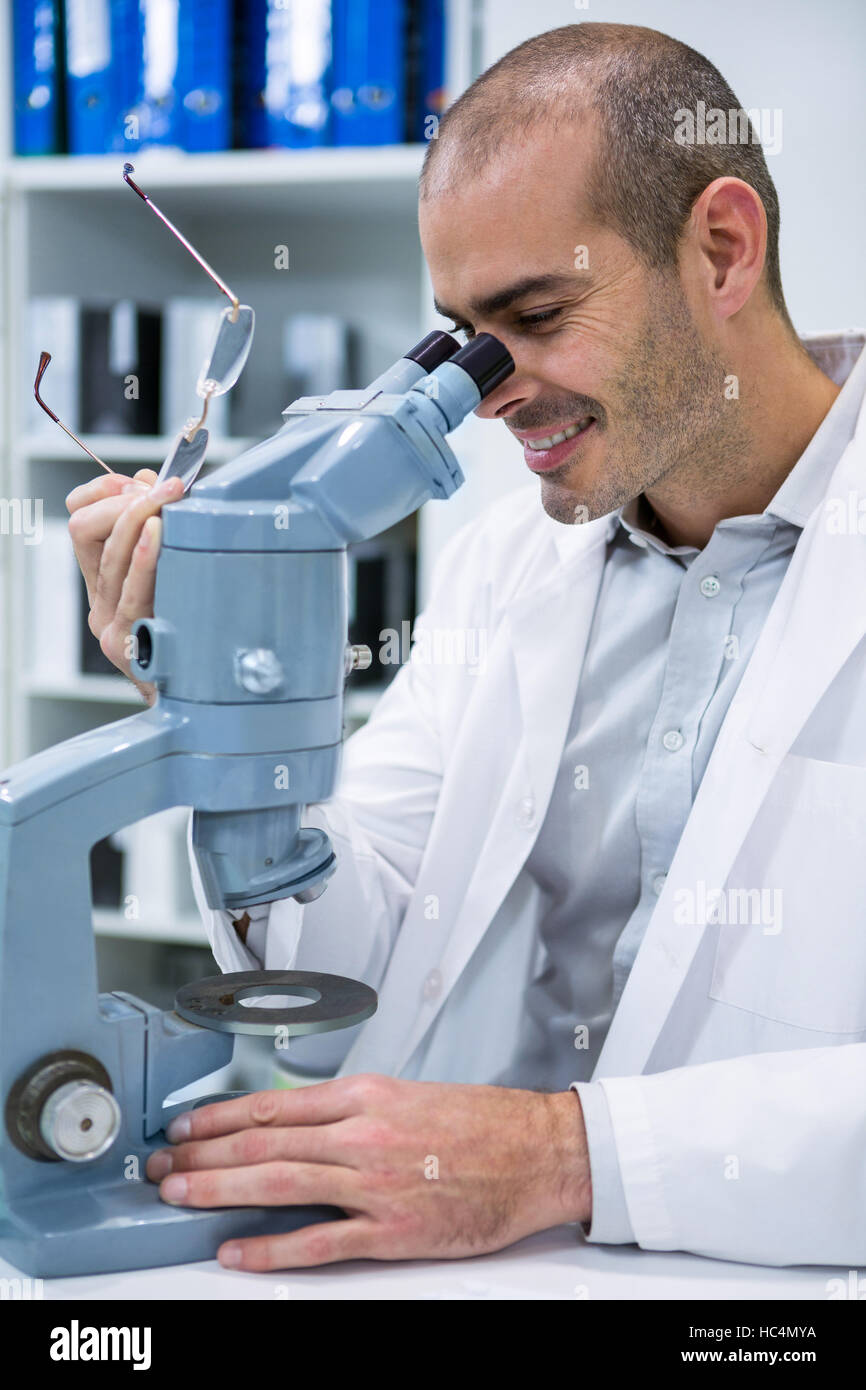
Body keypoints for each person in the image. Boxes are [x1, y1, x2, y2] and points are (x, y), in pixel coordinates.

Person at [66, 23, 866, 1272]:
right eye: (455, 338)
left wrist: (565, 1155)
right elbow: (361, 952)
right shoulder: (507, 563)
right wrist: (223, 716)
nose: (486, 394)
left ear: (719, 249)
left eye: (533, 316)